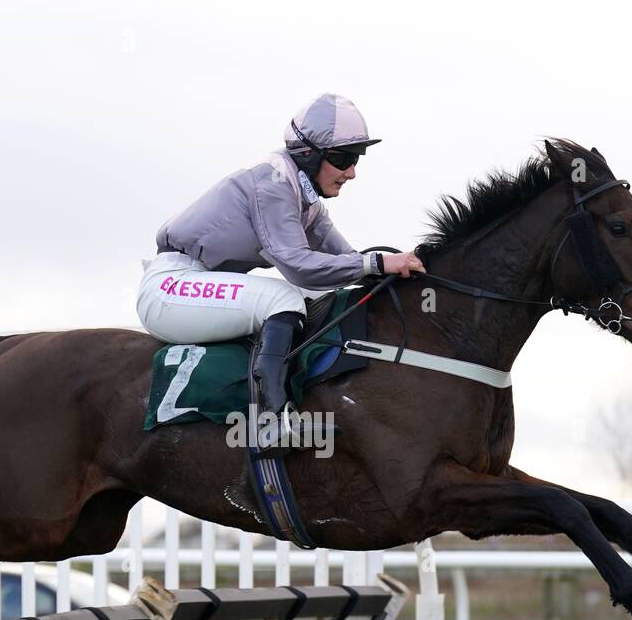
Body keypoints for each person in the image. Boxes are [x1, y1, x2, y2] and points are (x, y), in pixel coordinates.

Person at [139, 92, 424, 455]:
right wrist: (378, 264)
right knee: (284, 297)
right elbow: (298, 266)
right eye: (343, 159)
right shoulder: (273, 183)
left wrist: (398, 269)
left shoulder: (307, 202)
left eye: (356, 159)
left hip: (202, 283)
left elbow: (348, 261)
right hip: (170, 286)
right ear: (309, 154)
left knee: (319, 300)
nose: (351, 172)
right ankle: (272, 421)